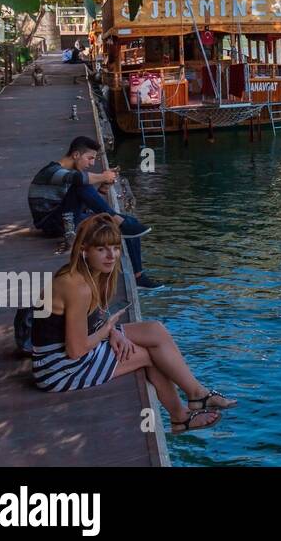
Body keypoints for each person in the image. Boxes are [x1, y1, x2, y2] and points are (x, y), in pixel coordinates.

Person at [32, 214, 236, 433]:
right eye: (101, 249)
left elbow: (90, 319)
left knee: (154, 330)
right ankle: (180, 417)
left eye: (115, 247)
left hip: (69, 350)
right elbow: (76, 350)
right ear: (84, 250)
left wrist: (113, 333)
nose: (111, 256)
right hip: (58, 369)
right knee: (149, 356)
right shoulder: (76, 286)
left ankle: (197, 394)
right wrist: (107, 330)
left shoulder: (88, 274)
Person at [29, 136, 163, 290]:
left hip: (67, 217)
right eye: (90, 158)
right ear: (76, 155)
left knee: (131, 223)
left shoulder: (69, 175)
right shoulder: (52, 171)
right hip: (50, 223)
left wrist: (103, 188)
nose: (92, 163)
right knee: (81, 185)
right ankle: (118, 220)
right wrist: (103, 176)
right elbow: (79, 180)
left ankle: (138, 276)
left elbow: (86, 207)